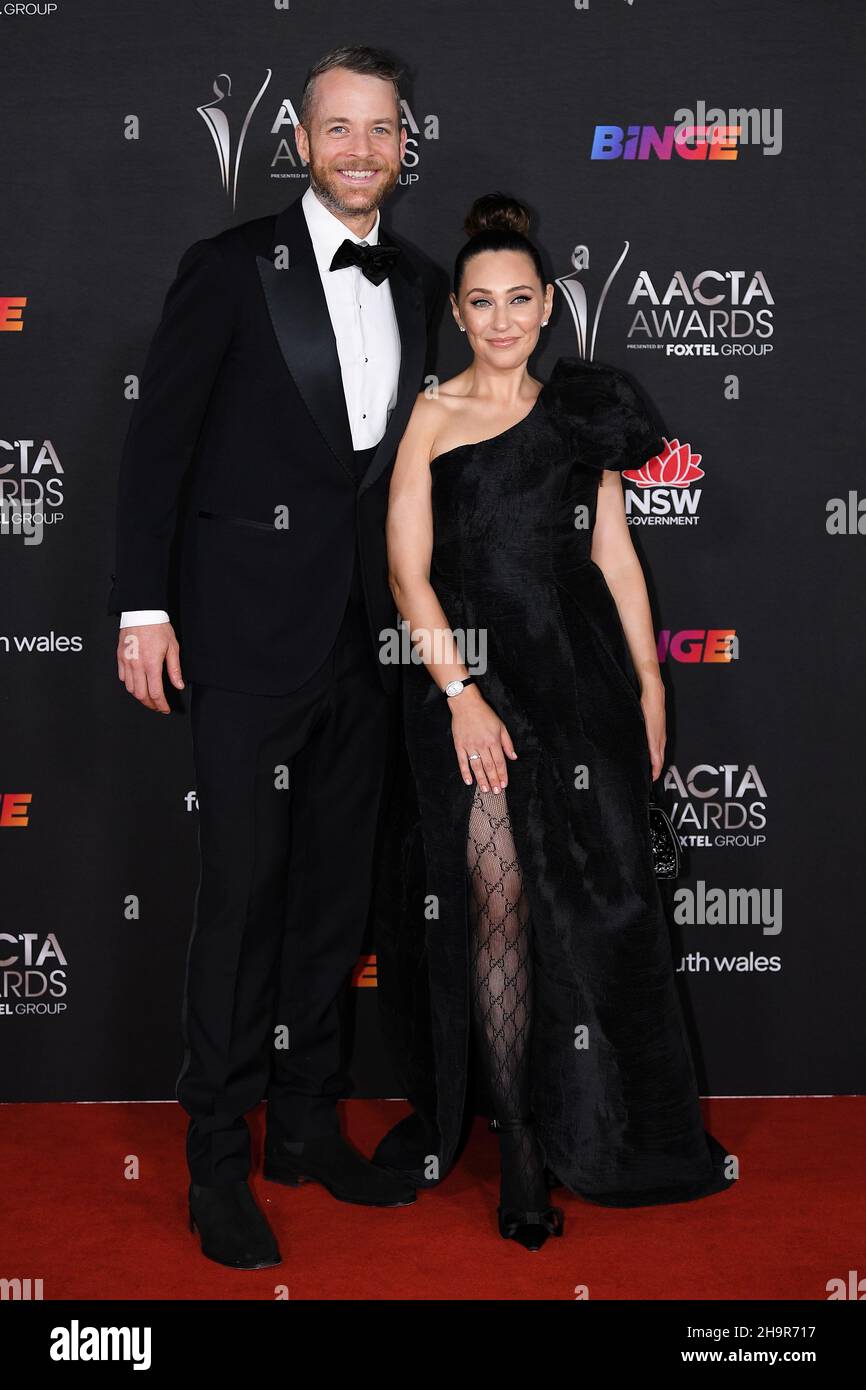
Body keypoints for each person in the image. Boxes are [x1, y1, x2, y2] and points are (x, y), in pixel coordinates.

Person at [109, 46, 444, 1269]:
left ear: (406, 143)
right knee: (242, 899)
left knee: (328, 905)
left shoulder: (418, 280)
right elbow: (159, 452)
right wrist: (142, 609)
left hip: (367, 644)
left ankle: (305, 1127)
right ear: (301, 141)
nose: (361, 148)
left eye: (382, 128)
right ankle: (214, 1160)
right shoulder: (227, 269)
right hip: (244, 643)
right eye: (338, 128)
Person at [377, 192, 735, 1251]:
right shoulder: (431, 416)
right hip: (473, 687)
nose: (498, 319)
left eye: (517, 300)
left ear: (546, 309)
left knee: (605, 907)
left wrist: (651, 685)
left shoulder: (582, 410)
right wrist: (460, 697)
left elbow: (612, 557)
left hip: (579, 687)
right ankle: (522, 1148)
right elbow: (407, 576)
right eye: (479, 301)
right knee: (498, 912)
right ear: (456, 309)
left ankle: (616, 1128)